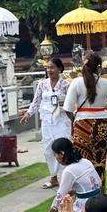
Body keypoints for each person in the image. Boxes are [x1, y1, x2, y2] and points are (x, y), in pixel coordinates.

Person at [27, 138, 103, 212]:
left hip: (88, 208)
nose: (55, 157)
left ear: (62, 153)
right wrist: (75, 191)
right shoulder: (85, 161)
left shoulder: (69, 170)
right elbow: (97, 183)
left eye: (55, 154)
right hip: (100, 203)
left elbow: (59, 198)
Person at [65, 52, 107, 180]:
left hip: (82, 124)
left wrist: (75, 122)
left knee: (81, 160)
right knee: (99, 161)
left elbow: (67, 109)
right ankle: (100, 192)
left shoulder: (76, 82)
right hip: (101, 124)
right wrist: (102, 105)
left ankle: (83, 192)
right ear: (99, 67)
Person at [22, 57, 72, 189]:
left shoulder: (66, 85)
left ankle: (66, 177)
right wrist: (28, 114)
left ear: (59, 68)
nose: (49, 70)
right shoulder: (42, 84)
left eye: (52, 67)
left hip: (61, 120)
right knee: (48, 150)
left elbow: (72, 103)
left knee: (63, 148)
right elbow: (36, 101)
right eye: (48, 68)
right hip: (47, 121)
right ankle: (53, 177)